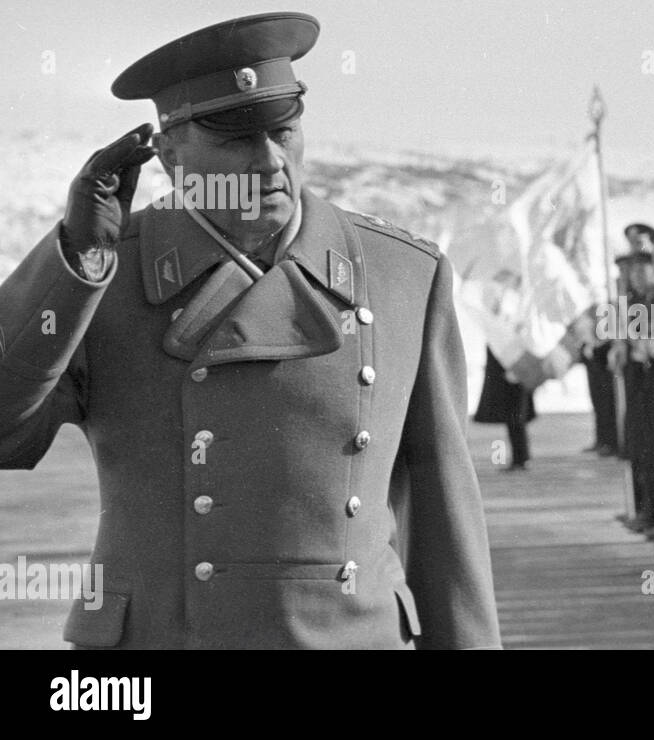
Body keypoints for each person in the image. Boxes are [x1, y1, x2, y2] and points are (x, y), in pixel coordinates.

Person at [0, 12, 500, 649]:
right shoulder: (104, 278)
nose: (269, 161)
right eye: (235, 140)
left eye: (284, 131)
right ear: (171, 153)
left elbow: (445, 516)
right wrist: (72, 261)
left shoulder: (403, 276)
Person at [473, 347, 536, 471]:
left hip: (514, 372)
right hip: (511, 371)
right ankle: (521, 458)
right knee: (514, 418)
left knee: (515, 418)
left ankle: (521, 459)